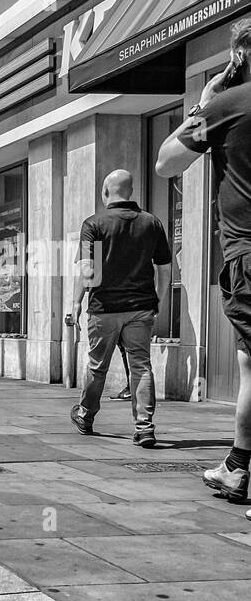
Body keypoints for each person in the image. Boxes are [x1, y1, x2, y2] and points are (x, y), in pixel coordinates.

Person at [158, 19, 251, 504]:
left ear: (240, 58)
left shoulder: (226, 106)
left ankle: (239, 467)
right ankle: (237, 465)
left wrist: (203, 103)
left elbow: (167, 161)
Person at [69, 170, 171, 447]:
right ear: (131, 191)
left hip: (104, 308)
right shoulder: (152, 223)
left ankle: (86, 416)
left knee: (97, 366)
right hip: (141, 308)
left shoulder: (94, 224)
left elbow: (90, 271)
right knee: (141, 366)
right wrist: (158, 300)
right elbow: (164, 268)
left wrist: (77, 302)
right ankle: (145, 427)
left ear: (105, 192)